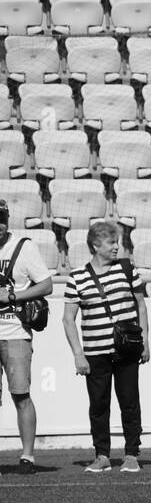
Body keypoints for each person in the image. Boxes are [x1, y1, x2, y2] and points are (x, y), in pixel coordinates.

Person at [62, 221, 149, 473]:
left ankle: (132, 454)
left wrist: (145, 342)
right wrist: (78, 355)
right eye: (111, 243)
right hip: (94, 352)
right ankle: (102, 456)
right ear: (95, 245)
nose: (116, 248)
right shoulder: (77, 277)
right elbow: (68, 319)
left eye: (117, 242)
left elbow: (141, 306)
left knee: (129, 401)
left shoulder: (127, 269)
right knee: (98, 405)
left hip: (127, 349)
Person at [0, 198, 54, 474]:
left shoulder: (23, 247)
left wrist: (11, 295)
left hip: (15, 332)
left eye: (1, 219)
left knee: (21, 394)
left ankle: (27, 457)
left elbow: (46, 284)